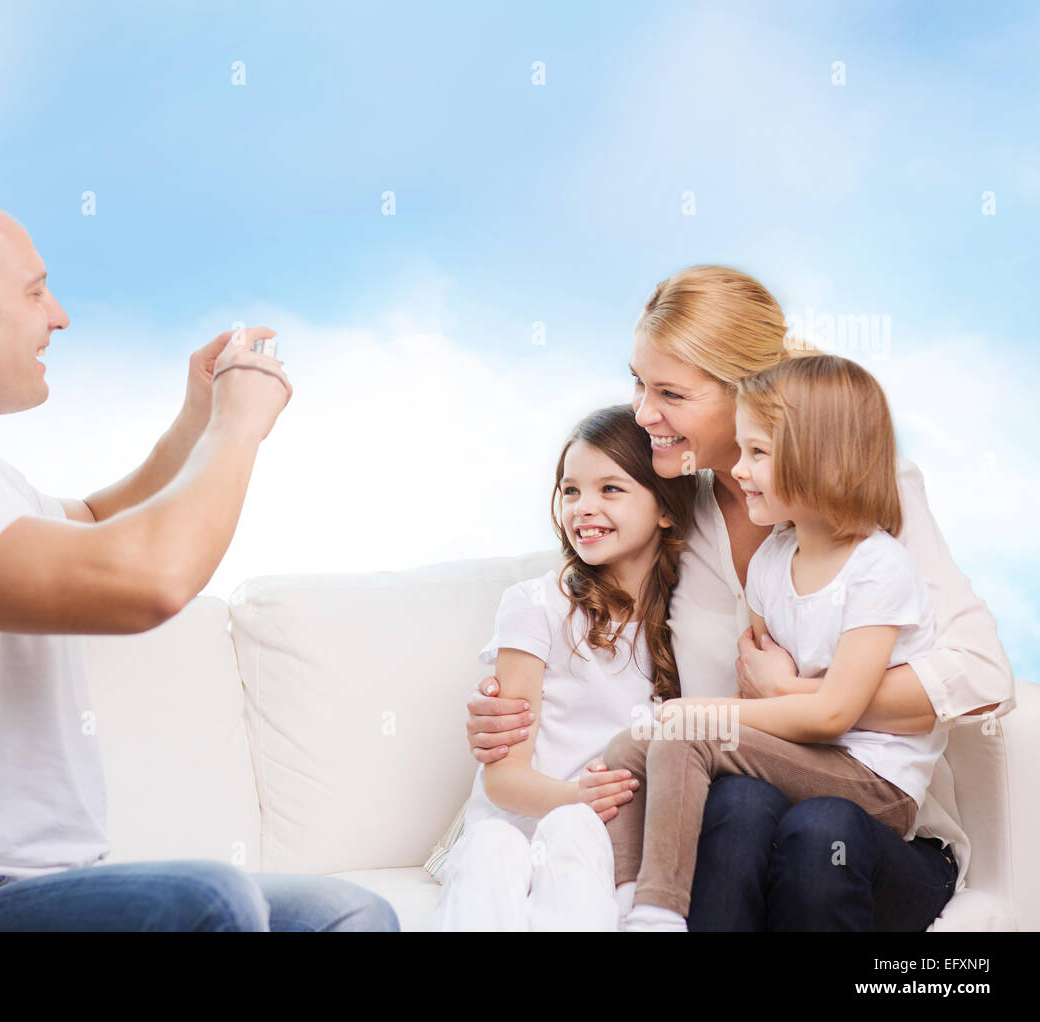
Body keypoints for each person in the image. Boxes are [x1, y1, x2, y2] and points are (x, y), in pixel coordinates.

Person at [0, 200, 397, 932]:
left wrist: (198, 418)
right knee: (211, 903)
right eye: (34, 291)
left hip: (59, 887)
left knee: (348, 913)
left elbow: (95, 523)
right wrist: (239, 426)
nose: (60, 317)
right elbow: (147, 582)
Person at [464, 266, 1015, 931]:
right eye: (638, 383)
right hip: (734, 825)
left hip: (870, 835)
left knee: (816, 830)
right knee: (739, 806)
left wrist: (803, 695)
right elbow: (583, 615)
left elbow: (982, 675)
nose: (644, 414)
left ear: (750, 391)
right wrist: (510, 716)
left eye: (670, 392)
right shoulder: (671, 509)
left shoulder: (863, 491)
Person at [604, 354, 942, 932]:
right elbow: (758, 703)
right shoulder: (772, 561)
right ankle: (622, 895)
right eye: (741, 450)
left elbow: (835, 711)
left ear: (820, 459)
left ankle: (658, 914)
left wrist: (695, 713)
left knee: (684, 731)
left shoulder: (877, 568)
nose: (737, 469)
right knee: (629, 747)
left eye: (757, 453)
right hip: (804, 760)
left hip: (872, 779)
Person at [431, 406, 696, 931]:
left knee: (576, 836)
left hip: (598, 837)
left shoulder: (688, 619)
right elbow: (504, 778)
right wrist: (577, 797)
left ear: (666, 508)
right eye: (570, 490)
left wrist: (585, 811)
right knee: (493, 846)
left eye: (610, 490)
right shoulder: (536, 605)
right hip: (516, 821)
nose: (583, 508)